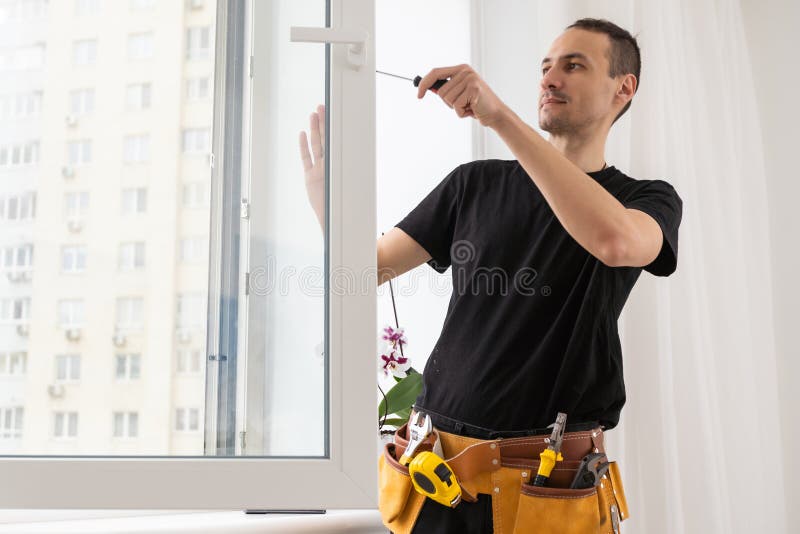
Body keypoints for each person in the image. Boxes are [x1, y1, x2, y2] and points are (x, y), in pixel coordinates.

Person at [300, 16, 682, 534]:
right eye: (546, 66)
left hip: (547, 492)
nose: (550, 79)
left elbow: (615, 242)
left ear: (623, 87)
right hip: (434, 480)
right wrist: (329, 203)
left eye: (574, 66)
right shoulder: (473, 185)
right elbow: (363, 271)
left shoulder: (645, 200)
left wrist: (499, 116)